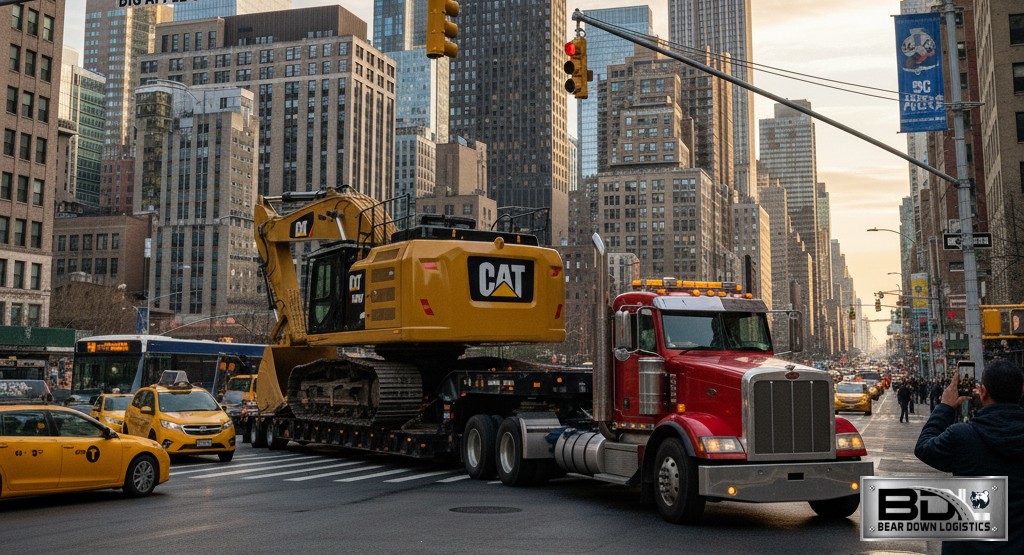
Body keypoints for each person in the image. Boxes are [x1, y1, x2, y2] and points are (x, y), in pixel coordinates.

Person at [914, 359, 1024, 554]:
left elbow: (924, 448)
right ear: (1021, 391)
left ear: (982, 392)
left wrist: (945, 407)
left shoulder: (962, 436)